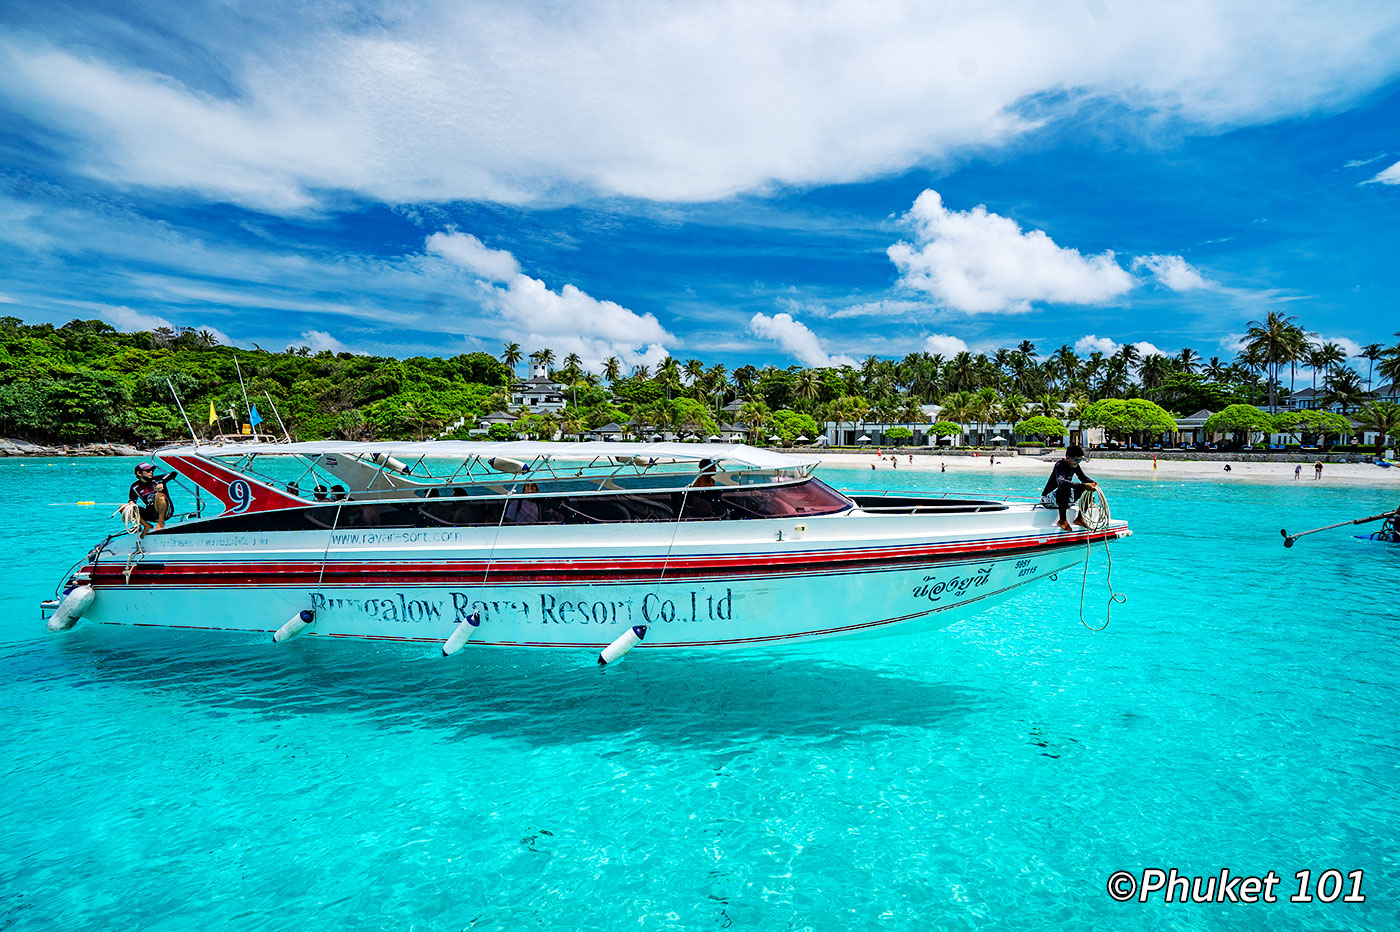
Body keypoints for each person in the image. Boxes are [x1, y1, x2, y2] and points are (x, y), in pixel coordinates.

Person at [1042, 443, 1098, 532]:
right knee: (1066, 487)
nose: (1077, 462)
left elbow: (1083, 478)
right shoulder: (1060, 465)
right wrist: (1084, 485)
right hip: (1048, 499)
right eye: (1076, 460)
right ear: (1068, 457)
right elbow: (1061, 482)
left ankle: (1080, 518)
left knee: (1088, 490)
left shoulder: (1075, 465)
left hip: (1062, 499)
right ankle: (1062, 520)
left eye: (1080, 460)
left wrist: (1092, 483)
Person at [128, 462, 175, 534]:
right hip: (151, 513)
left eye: (152, 470)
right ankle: (146, 525)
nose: (151, 472)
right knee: (124, 507)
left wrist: (162, 482)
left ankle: (160, 522)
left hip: (166, 511)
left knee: (159, 495)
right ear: (139, 473)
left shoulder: (157, 480)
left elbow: (173, 473)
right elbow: (132, 500)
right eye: (148, 471)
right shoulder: (135, 487)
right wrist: (131, 504)